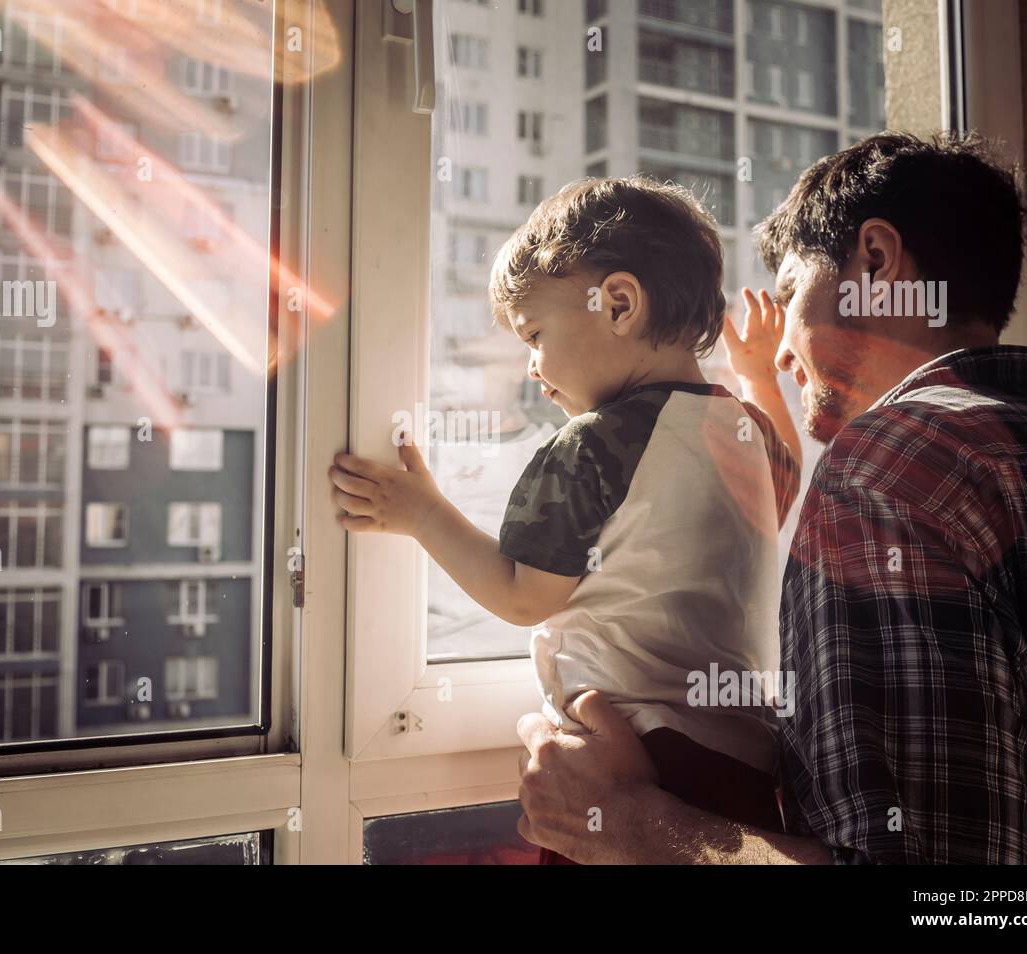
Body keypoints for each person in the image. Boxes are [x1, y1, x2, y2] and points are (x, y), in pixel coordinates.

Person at [517, 132, 1027, 864]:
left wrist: (626, 822)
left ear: (876, 263)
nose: (783, 353)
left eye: (791, 296)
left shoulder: (885, 473)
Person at [329, 176, 800, 863]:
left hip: (633, 760)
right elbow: (783, 483)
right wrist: (758, 378)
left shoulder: (594, 444)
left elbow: (522, 595)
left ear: (618, 304)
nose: (530, 369)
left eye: (536, 334)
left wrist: (421, 512)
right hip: (748, 765)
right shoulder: (742, 429)